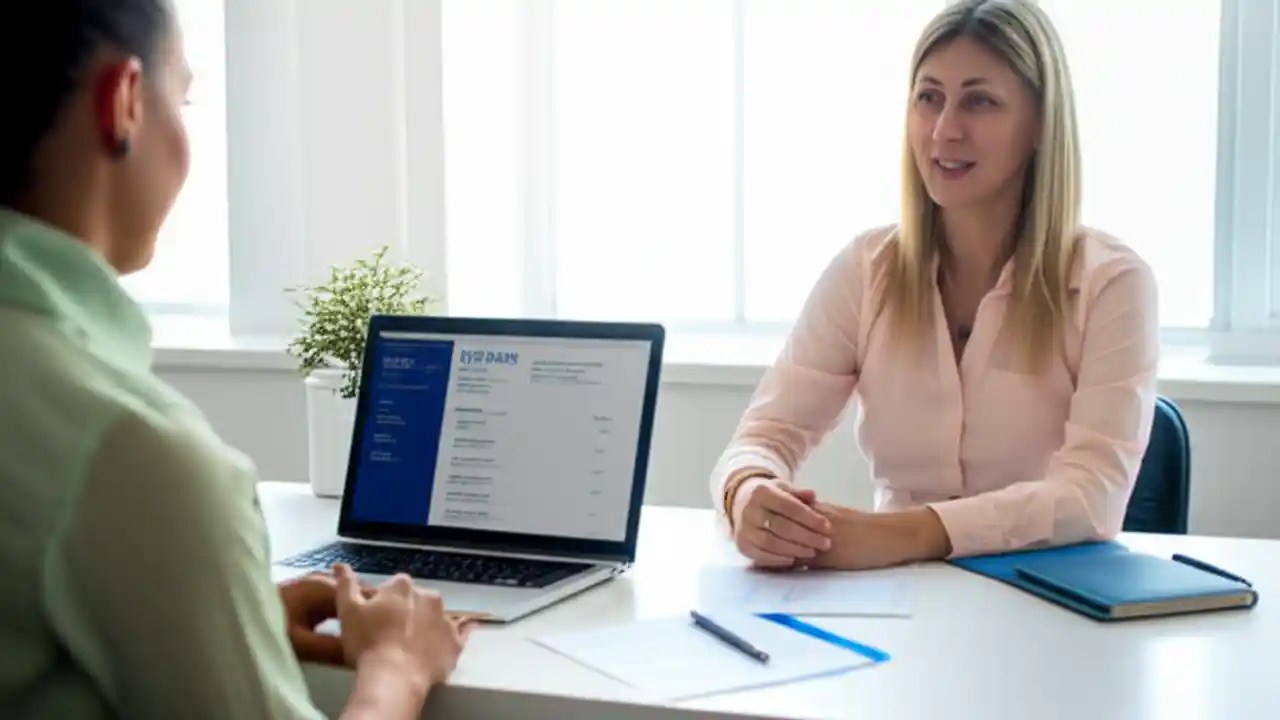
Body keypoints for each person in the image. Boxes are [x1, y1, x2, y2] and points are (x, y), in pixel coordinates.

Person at [0, 2, 470, 718]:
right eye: (182, 97)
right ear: (123, 102)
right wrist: (397, 666)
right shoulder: (131, 452)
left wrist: (215, 611)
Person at [712, 0, 1159, 570]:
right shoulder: (865, 270)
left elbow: (1091, 498)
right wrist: (747, 491)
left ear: (1041, 125)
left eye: (980, 101)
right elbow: (765, 434)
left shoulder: (1112, 284)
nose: (945, 130)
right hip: (897, 603)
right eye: (929, 98)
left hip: (1046, 598)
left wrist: (903, 534)